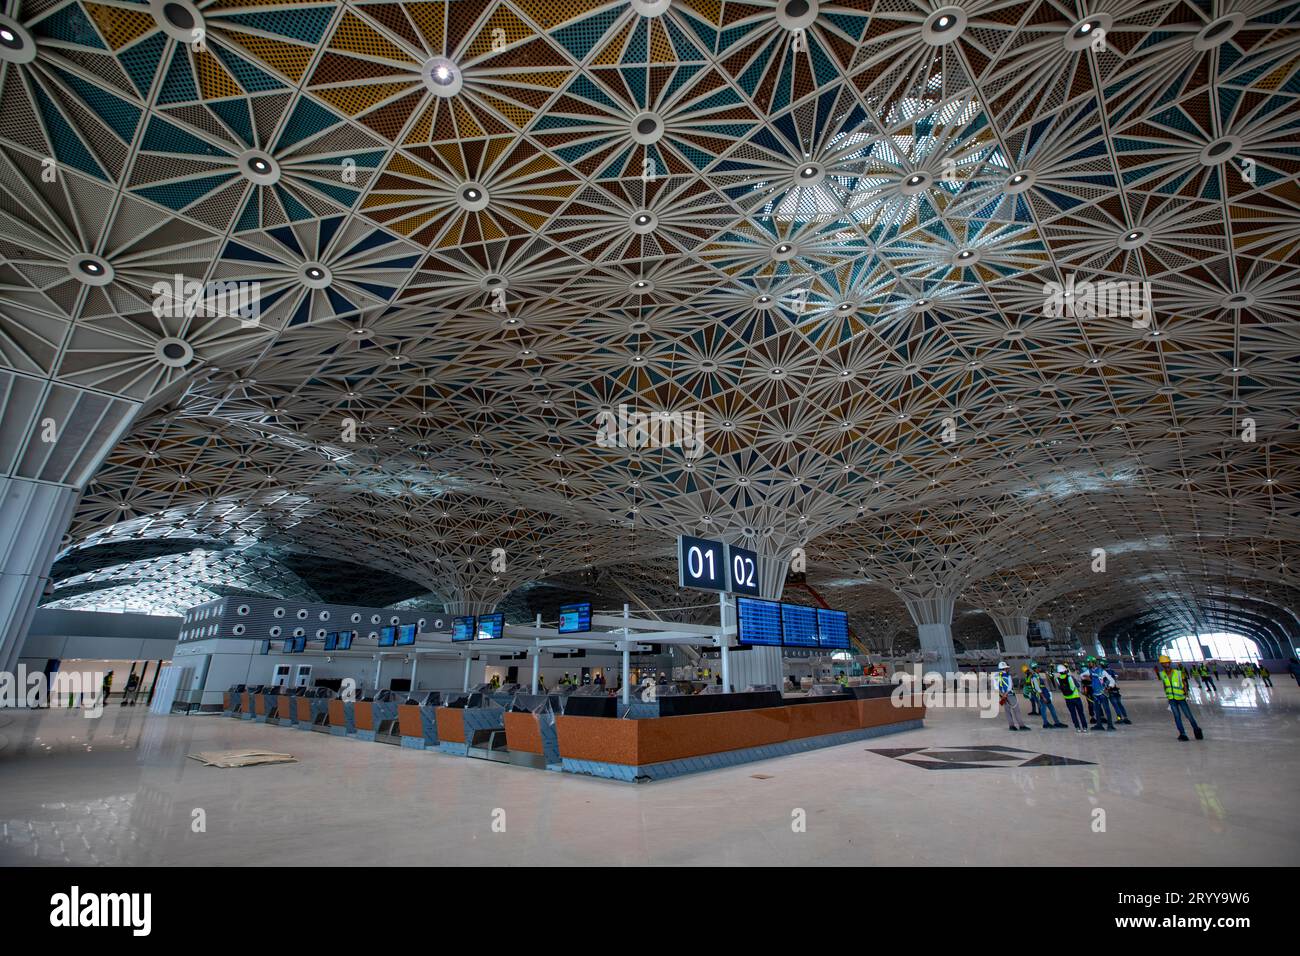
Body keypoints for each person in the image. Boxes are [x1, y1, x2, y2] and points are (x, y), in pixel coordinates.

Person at [1159, 654, 1203, 741]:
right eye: (1163, 663)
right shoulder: (1162, 674)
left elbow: (1184, 684)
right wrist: (1167, 696)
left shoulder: (1178, 673)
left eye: (1166, 663)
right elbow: (1165, 685)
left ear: (1169, 663)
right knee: (1177, 717)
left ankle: (1196, 730)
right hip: (1171, 699)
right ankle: (1182, 734)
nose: (1165, 665)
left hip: (1181, 698)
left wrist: (1186, 694)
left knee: (1188, 715)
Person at [1028, 661, 1066, 729]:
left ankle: (1056, 722)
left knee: (1051, 708)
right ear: (1035, 668)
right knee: (1044, 709)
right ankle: (1046, 723)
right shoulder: (1034, 677)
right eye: (1037, 667)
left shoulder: (1037, 675)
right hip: (1042, 694)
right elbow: (1037, 688)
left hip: (1045, 693)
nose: (1039, 668)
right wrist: (1043, 697)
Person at [996, 661, 1030, 732]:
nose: (1007, 669)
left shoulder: (996, 676)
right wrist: (1006, 694)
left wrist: (1002, 695)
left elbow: (996, 687)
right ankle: (1021, 725)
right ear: (1005, 668)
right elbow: (1010, 687)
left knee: (1007, 711)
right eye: (1006, 668)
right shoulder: (1008, 676)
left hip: (1002, 695)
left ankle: (1011, 726)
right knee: (1016, 710)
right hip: (1010, 695)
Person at [1055, 665, 1088, 733]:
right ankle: (1084, 727)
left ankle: (1077, 727)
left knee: (1073, 713)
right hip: (1075, 697)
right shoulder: (1070, 677)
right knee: (1080, 713)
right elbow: (1076, 686)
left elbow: (1060, 688)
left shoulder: (1057, 679)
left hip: (1067, 698)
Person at [1085, 658, 1116, 731]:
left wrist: (1108, 687)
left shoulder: (1102, 671)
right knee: (1097, 710)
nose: (1089, 664)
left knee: (1106, 709)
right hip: (1095, 693)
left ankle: (1110, 725)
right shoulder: (1089, 671)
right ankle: (1099, 725)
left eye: (1090, 662)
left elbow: (1112, 680)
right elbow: (1081, 676)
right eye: (1088, 662)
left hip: (1102, 693)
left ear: (1094, 663)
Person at [1100, 659, 1131, 724]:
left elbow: (1102, 682)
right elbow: (1116, 678)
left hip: (1110, 690)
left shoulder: (1103, 672)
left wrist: (1106, 687)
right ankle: (1126, 717)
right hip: (1116, 690)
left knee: (1115, 705)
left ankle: (1119, 718)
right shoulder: (1112, 671)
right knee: (1119, 704)